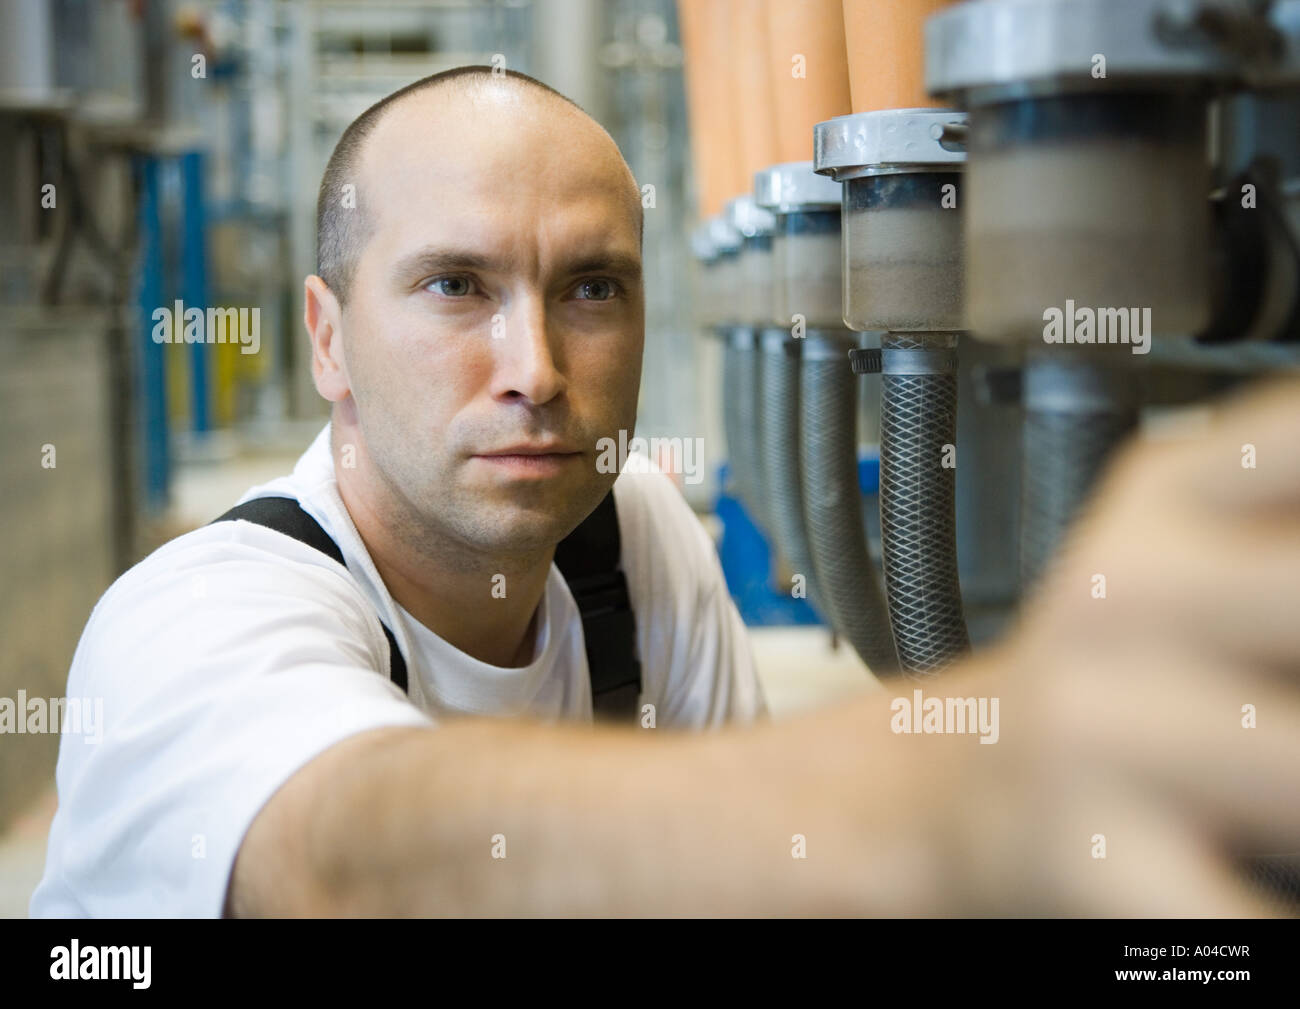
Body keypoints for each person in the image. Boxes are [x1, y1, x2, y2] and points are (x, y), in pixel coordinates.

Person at [31, 67, 1300, 918]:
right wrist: (968, 786)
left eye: (590, 289)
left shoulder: (623, 536)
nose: (534, 371)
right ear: (325, 338)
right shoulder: (187, 624)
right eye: (454, 287)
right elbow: (346, 859)